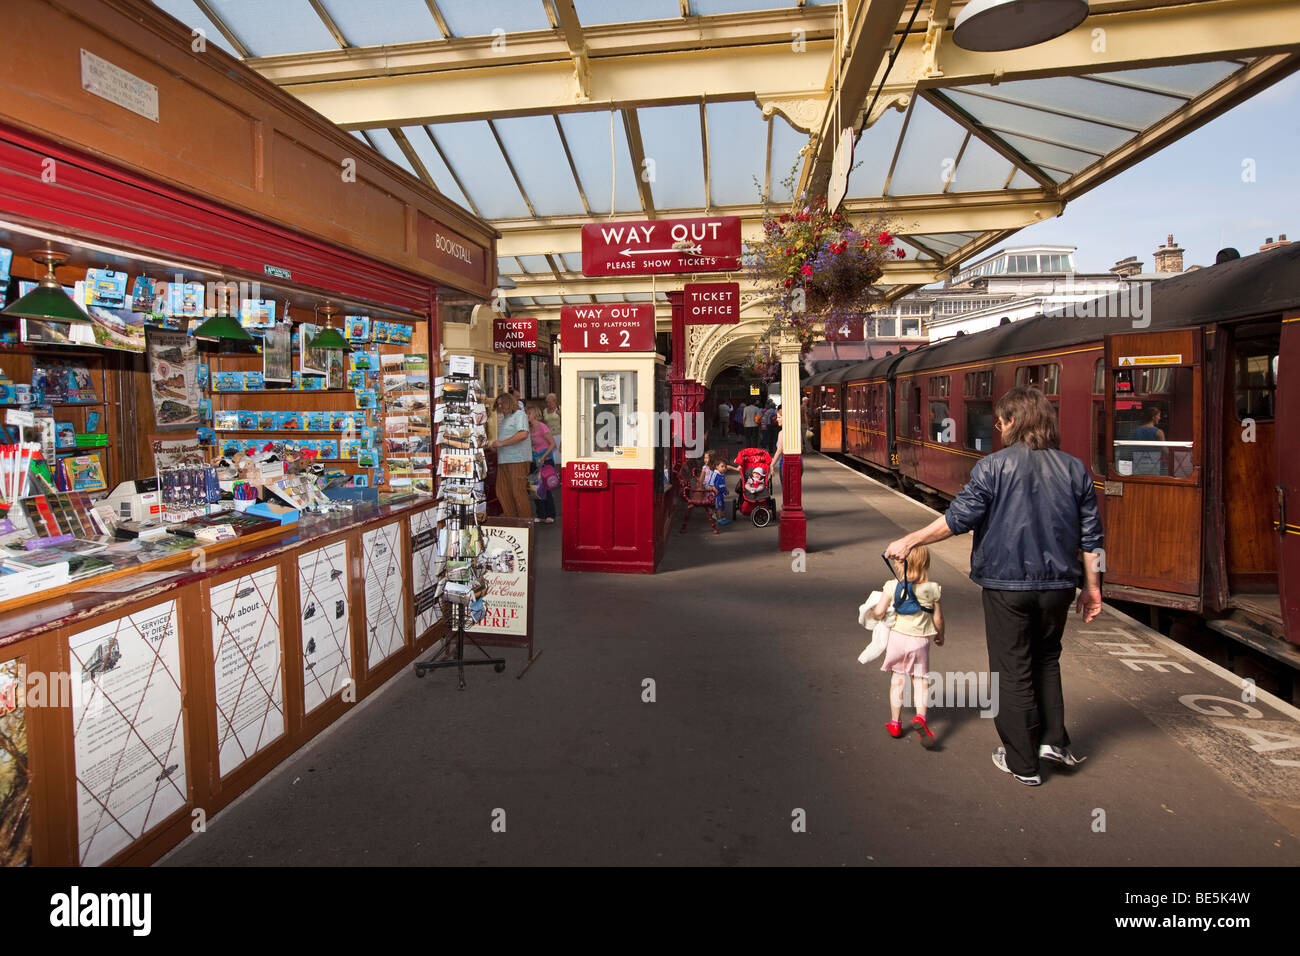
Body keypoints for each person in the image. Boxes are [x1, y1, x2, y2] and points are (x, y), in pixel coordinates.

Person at [885, 386, 1103, 787]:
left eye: (1001, 422)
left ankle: (1023, 763)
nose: (998, 428)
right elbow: (1091, 537)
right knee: (1047, 659)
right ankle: (1052, 740)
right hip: (1058, 586)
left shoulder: (993, 467)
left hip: (1007, 585)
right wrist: (1092, 588)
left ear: (1014, 421)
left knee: (1012, 670)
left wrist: (910, 540)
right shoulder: (1075, 470)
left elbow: (957, 520)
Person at [869, 545, 944, 747]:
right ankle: (920, 717)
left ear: (901, 563)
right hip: (919, 642)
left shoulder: (892, 585)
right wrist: (940, 636)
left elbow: (878, 611)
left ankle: (895, 723)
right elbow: (938, 619)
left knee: (898, 681)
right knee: (920, 681)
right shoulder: (932, 588)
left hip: (897, 640)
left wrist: (878, 615)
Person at [489, 393, 531, 519]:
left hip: (518, 459)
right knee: (502, 492)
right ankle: (512, 521)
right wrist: (496, 446)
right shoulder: (506, 418)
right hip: (504, 460)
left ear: (509, 402)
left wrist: (502, 443)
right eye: (499, 404)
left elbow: (523, 434)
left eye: (502, 403)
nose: (500, 406)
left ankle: (525, 524)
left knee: (518, 493)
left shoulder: (519, 415)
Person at [526, 406, 557, 524]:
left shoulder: (542, 427)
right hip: (534, 461)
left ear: (535, 414)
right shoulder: (528, 429)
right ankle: (541, 514)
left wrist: (544, 456)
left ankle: (550, 514)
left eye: (529, 413)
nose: (527, 415)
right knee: (535, 489)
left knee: (546, 488)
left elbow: (553, 444)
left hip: (545, 460)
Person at [1131, 405, 1165, 476]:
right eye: (1158, 416)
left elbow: (1131, 447)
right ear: (1153, 417)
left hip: (1138, 462)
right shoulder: (1159, 432)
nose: (1160, 418)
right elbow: (1163, 448)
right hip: (1153, 462)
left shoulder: (1136, 430)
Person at [542, 392, 562, 465]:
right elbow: (543, 424)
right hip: (549, 436)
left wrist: (561, 414)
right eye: (547, 402)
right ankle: (552, 472)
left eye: (550, 402)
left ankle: (559, 472)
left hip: (558, 435)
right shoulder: (544, 411)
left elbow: (565, 422)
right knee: (551, 455)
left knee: (559, 455)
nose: (549, 404)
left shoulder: (560, 409)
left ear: (555, 401)